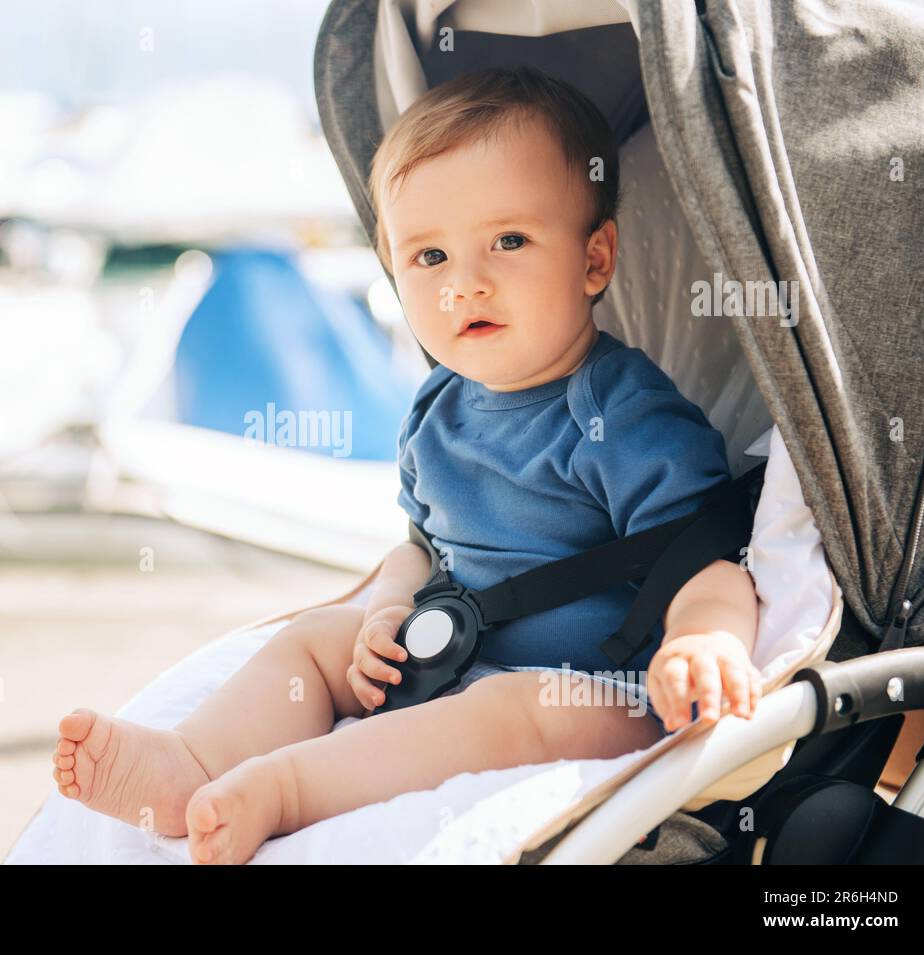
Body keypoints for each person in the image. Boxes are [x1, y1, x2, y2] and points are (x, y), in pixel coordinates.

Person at [52, 66, 763, 864]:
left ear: (595, 260)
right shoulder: (437, 409)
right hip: (449, 655)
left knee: (510, 704)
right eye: (429, 256)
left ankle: (283, 788)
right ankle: (190, 761)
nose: (466, 283)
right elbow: (421, 547)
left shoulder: (623, 413)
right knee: (315, 641)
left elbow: (710, 558)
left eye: (509, 241)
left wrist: (704, 643)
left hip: (598, 697)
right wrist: (387, 610)